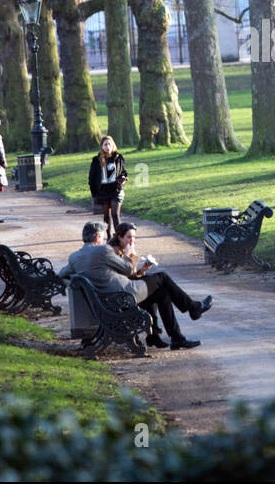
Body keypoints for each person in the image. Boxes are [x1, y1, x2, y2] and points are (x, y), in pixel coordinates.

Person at [60, 220, 212, 351]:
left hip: (107, 300)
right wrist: (129, 253)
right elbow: (127, 268)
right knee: (162, 277)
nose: (105, 240)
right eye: (103, 237)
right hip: (125, 295)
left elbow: (61, 274)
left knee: (163, 291)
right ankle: (193, 308)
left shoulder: (74, 257)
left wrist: (75, 282)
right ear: (97, 237)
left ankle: (177, 337)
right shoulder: (103, 250)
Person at [88, 136, 127, 237]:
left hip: (116, 190)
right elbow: (92, 178)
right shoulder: (96, 160)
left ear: (113, 145)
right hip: (103, 191)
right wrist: (94, 193)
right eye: (105, 144)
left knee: (115, 213)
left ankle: (119, 236)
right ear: (101, 146)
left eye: (109, 144)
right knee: (106, 215)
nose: (108, 146)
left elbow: (124, 172)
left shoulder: (118, 158)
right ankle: (109, 235)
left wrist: (123, 178)